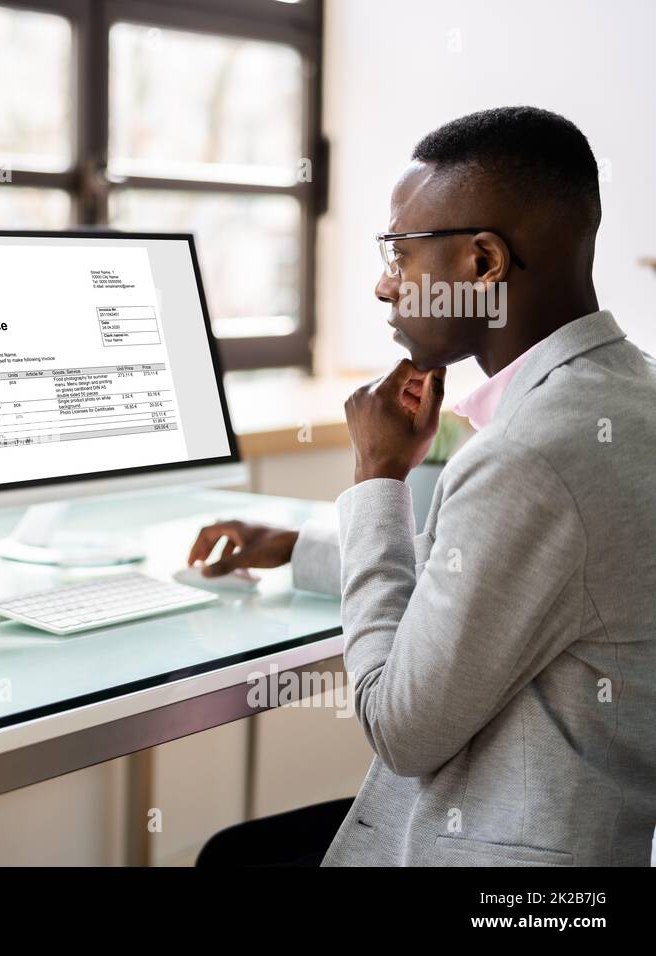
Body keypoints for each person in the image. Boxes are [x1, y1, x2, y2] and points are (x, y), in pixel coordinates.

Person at [193, 106, 656, 867]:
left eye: (400, 253)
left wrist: (376, 477)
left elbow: (399, 729)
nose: (384, 286)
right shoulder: (628, 392)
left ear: (482, 263)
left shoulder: (532, 453)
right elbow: (490, 574)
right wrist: (307, 548)